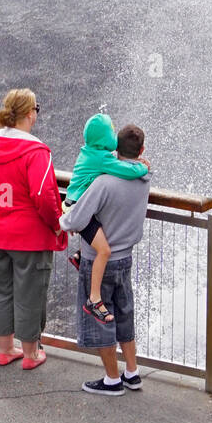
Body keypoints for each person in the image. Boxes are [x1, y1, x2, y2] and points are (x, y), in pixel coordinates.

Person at [0, 89, 66, 371]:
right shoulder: (35, 151)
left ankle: (5, 349)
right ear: (30, 114)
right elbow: (44, 195)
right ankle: (30, 354)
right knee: (30, 294)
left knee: (1, 290)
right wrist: (57, 224)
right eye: (36, 108)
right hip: (27, 237)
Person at [61, 123, 151, 397]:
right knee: (125, 314)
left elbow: (75, 220)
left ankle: (112, 379)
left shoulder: (103, 182)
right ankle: (132, 373)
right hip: (125, 259)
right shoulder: (143, 177)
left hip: (97, 260)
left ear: (114, 148)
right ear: (141, 150)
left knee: (101, 318)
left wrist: (63, 217)